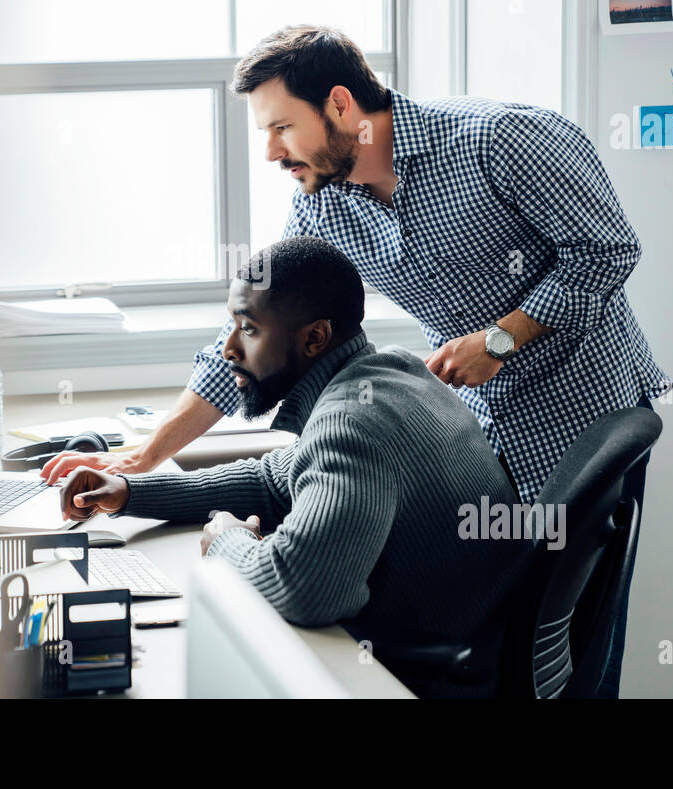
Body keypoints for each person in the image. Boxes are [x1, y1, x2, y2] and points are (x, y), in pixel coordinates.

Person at [44, 25, 673, 697]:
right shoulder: (323, 204)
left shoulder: (499, 140)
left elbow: (606, 250)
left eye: (282, 126)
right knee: (506, 636)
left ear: (341, 106)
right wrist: (143, 457)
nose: (269, 150)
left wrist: (500, 339)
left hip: (582, 419)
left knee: (572, 658)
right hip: (490, 433)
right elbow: (263, 323)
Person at [60, 237, 528, 697]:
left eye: (249, 329)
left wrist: (227, 541)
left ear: (315, 338)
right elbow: (273, 479)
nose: (228, 349)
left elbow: (303, 589)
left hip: (421, 680)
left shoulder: (351, 423)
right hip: (460, 648)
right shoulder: (394, 369)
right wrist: (130, 491)